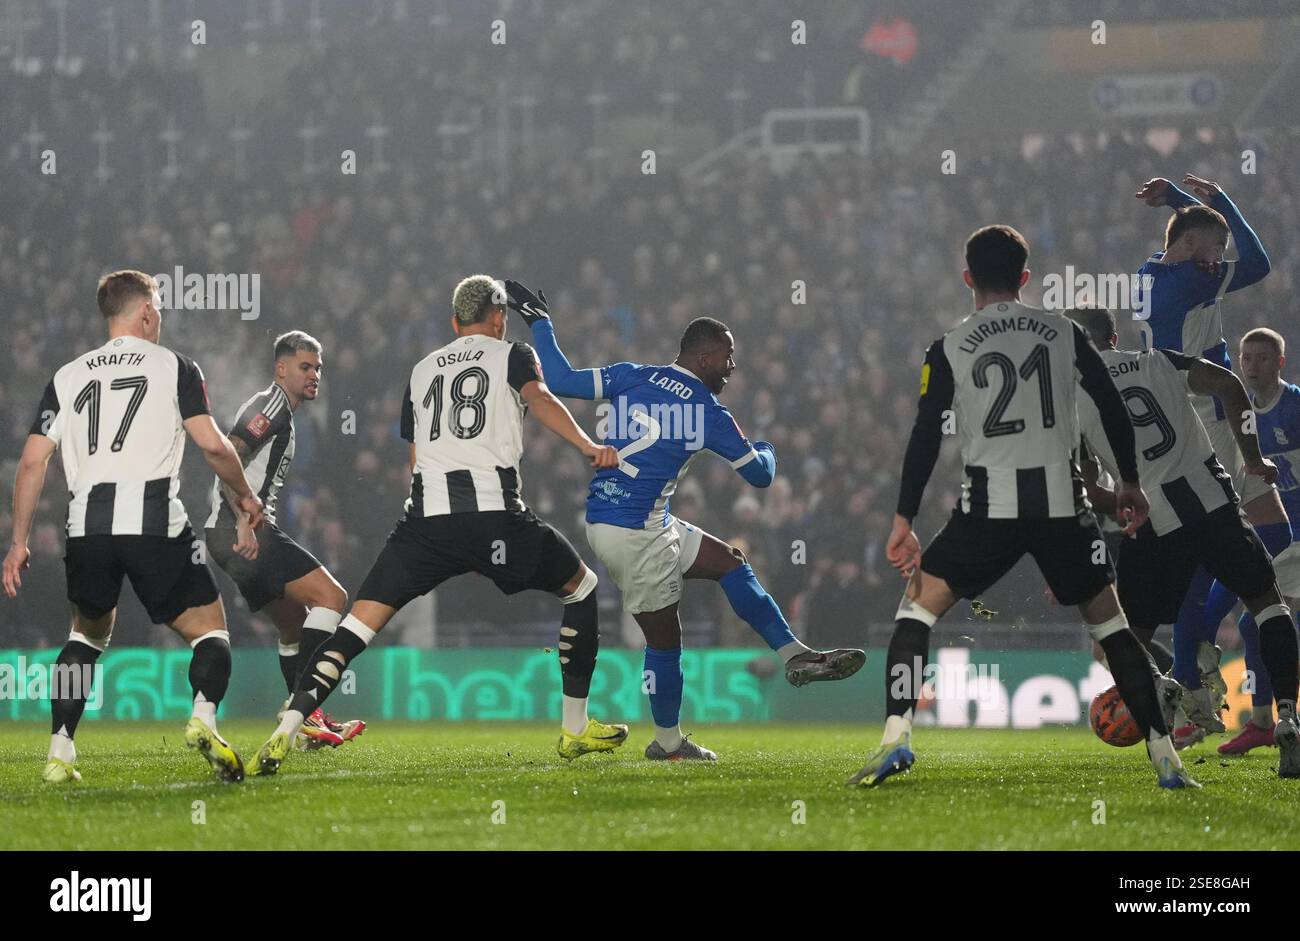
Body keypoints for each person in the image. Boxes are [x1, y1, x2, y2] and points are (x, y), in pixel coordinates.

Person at [853, 226, 1195, 789]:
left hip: (989, 502)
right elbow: (1109, 403)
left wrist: (903, 519)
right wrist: (1130, 481)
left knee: (915, 614)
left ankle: (896, 738)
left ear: (968, 278)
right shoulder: (1063, 332)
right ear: (1025, 278)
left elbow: (923, 435)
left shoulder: (949, 345)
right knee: (1113, 627)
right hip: (1064, 501)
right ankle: (1166, 759)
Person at [251, 275, 624, 774]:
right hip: (495, 516)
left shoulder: (422, 370)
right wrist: (587, 446)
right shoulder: (512, 353)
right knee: (581, 588)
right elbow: (540, 399)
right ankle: (574, 728)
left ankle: (286, 728)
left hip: (424, 525)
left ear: (454, 322)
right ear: (499, 318)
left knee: (355, 630)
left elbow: (414, 456)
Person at [503, 279, 867, 762]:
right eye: (727, 357)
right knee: (665, 638)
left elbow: (563, 379)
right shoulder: (708, 411)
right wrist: (769, 447)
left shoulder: (633, 375)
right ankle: (669, 744)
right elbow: (760, 476)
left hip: (626, 518)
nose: (732, 367)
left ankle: (794, 654)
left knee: (731, 562)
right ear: (703, 358)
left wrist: (540, 322)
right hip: (636, 533)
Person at [2, 270, 264, 783]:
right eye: (159, 306)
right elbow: (213, 445)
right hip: (153, 521)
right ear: (145, 312)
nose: (160, 316)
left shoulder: (68, 375)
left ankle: (59, 752)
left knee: (86, 635)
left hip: (87, 527)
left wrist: (17, 543)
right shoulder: (175, 367)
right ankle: (203, 718)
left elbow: (32, 463)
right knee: (210, 630)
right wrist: (245, 496)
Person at [1071, 306, 1299, 777]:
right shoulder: (1159, 361)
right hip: (1214, 505)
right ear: (1113, 338)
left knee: (1121, 638)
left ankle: (1163, 708)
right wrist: (1252, 458)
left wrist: (1118, 502)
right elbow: (1229, 385)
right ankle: (1288, 717)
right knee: (1268, 605)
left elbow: (1084, 484)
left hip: (1153, 523)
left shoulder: (1072, 399)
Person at [1132, 174, 1282, 731]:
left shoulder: (1150, 270)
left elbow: (1195, 234)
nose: (1222, 258)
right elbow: (1260, 261)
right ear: (1196, 250)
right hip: (1210, 415)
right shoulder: (1195, 282)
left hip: (1171, 418)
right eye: (1216, 251)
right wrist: (1216, 198)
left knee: (1202, 547)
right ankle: (1200, 673)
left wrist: (1180, 203)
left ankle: (1195, 676)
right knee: (1273, 536)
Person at [204, 330, 364, 749]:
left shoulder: (286, 415)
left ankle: (306, 722)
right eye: (305, 367)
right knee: (332, 597)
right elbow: (229, 454)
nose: (314, 376)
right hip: (242, 526)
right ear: (281, 369)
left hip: (231, 531)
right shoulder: (271, 405)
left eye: (318, 369)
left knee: (293, 625)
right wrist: (242, 517)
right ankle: (303, 710)